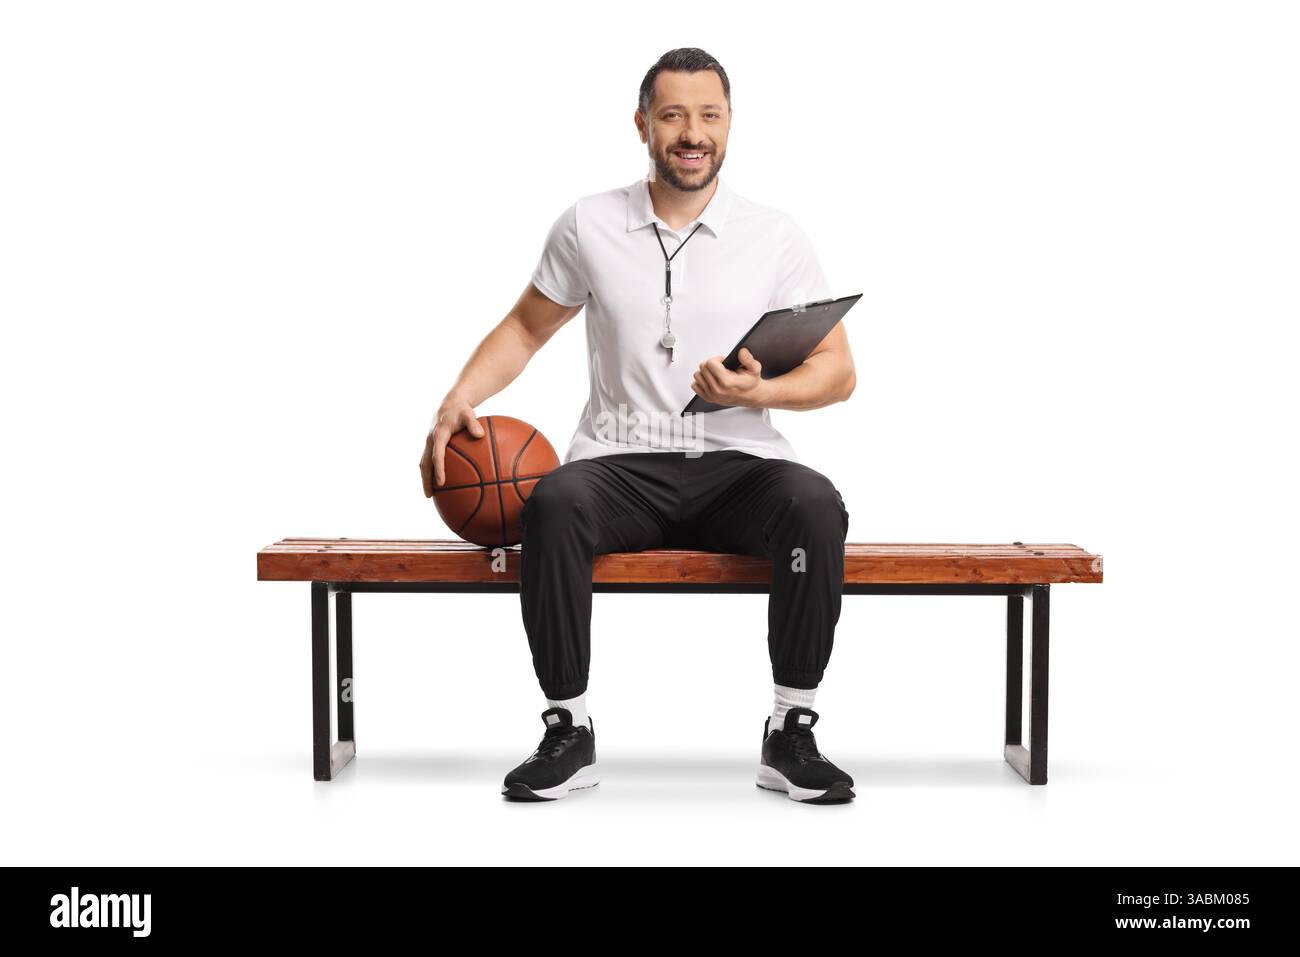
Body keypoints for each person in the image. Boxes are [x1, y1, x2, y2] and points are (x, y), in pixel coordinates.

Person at [419, 48, 857, 803]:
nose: (693, 132)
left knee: (814, 504)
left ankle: (791, 730)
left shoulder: (773, 235)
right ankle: (569, 729)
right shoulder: (589, 223)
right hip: (620, 462)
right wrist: (459, 394)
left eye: (709, 115)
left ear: (729, 125)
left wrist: (765, 388)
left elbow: (838, 371)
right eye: (674, 114)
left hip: (736, 462)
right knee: (552, 503)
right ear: (643, 124)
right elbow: (525, 329)